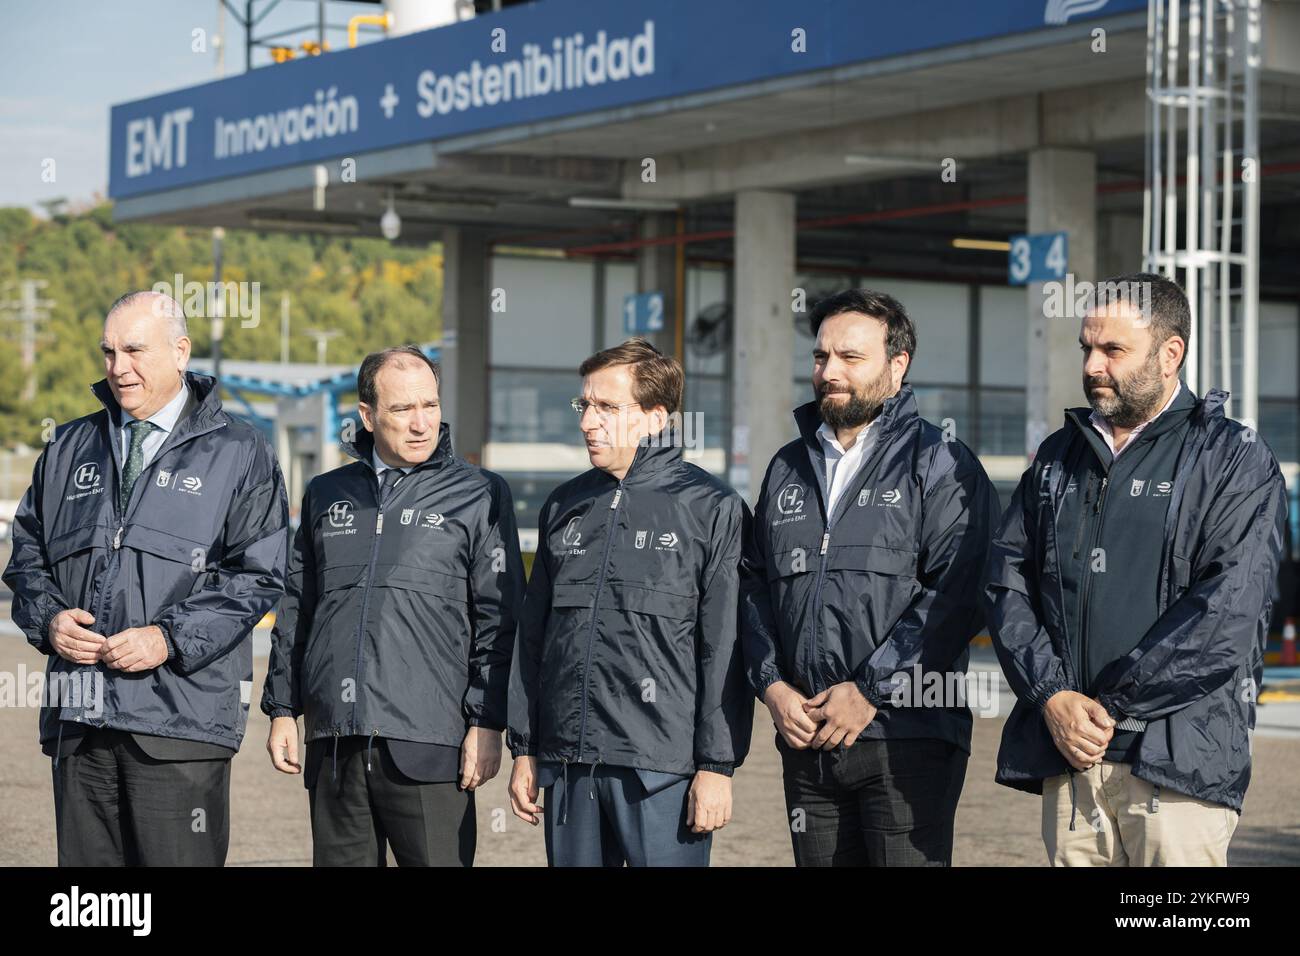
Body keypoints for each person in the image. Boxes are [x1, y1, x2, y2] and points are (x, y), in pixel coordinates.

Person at [984, 272, 1287, 866]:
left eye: (1113, 350)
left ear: (1170, 354)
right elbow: (1006, 581)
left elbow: (1226, 612)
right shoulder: (1057, 458)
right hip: (1072, 760)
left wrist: (1109, 710)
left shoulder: (1233, 462)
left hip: (1178, 767)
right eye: (1087, 349)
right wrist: (1051, 696)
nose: (1093, 365)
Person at [3, 290, 288, 866]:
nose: (118, 367)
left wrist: (170, 637)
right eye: (108, 351)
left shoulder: (240, 451)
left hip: (179, 726)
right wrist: (50, 620)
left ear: (180, 352)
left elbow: (257, 574)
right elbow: (26, 556)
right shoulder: (66, 447)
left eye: (135, 350)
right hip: (80, 721)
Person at [742, 289, 998, 866]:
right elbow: (753, 585)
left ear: (897, 364)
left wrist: (870, 691)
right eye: (820, 357)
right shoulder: (787, 467)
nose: (829, 372)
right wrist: (772, 686)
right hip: (807, 740)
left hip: (907, 741)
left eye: (849, 358)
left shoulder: (941, 463)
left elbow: (957, 597)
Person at [262, 346, 524, 866]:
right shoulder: (325, 493)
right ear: (367, 415)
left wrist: (488, 722)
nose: (422, 423)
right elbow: (297, 607)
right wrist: (282, 708)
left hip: (431, 745)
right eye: (403, 409)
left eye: (430, 405)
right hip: (336, 741)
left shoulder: (480, 494)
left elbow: (500, 618)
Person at [507, 338, 752, 866]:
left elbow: (724, 647)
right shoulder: (564, 505)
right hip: (569, 765)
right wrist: (525, 747)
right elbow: (534, 640)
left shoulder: (712, 510)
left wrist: (717, 766)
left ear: (655, 417)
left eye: (607, 408)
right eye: (585, 405)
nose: (587, 422)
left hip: (660, 771)